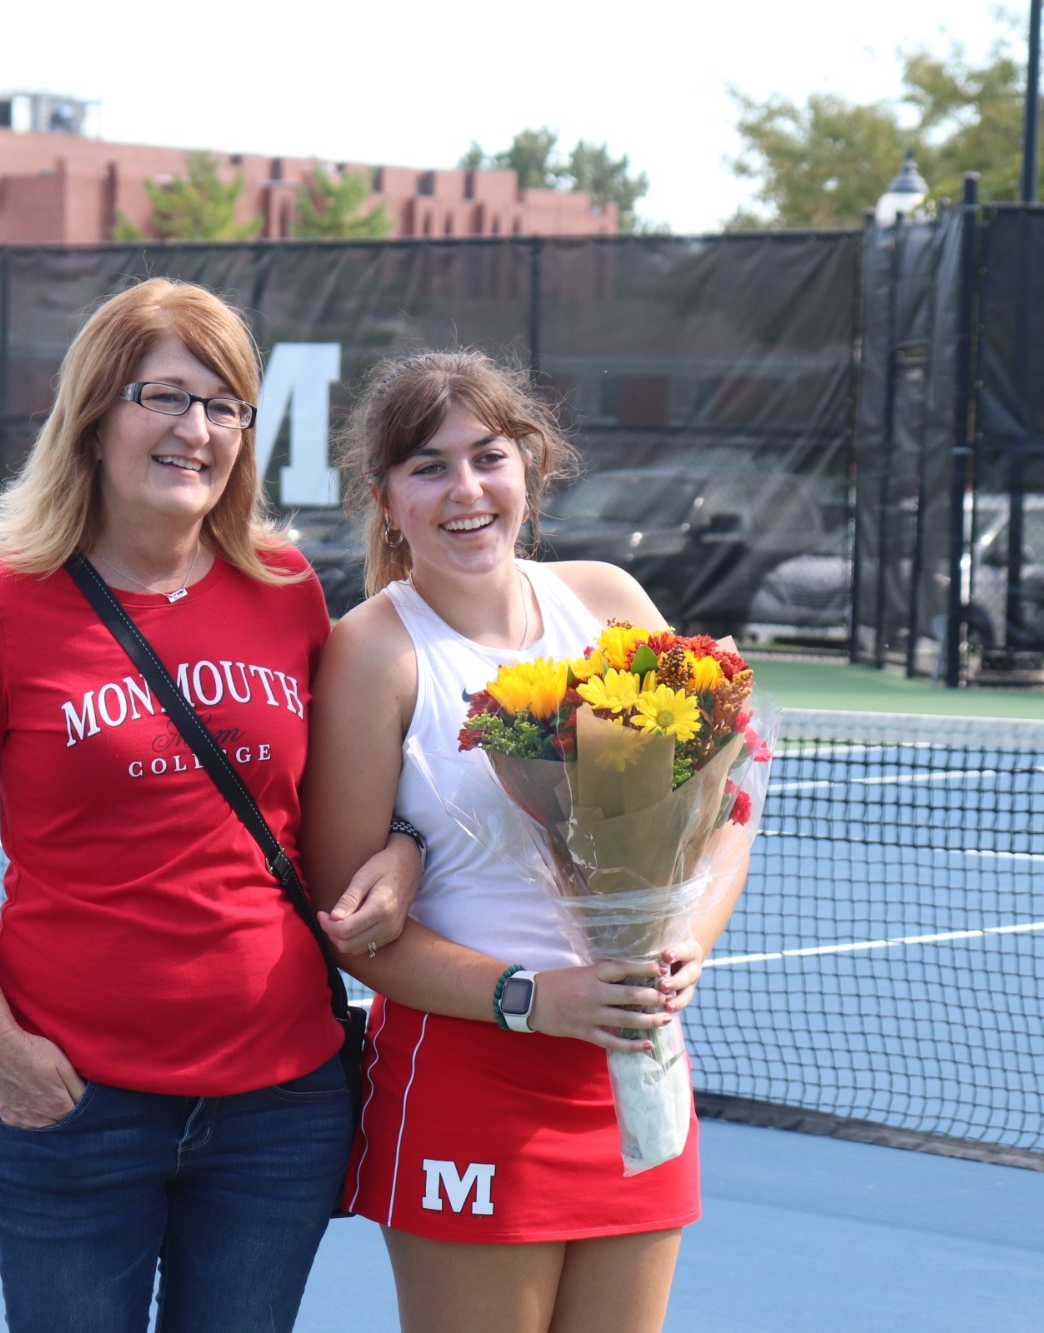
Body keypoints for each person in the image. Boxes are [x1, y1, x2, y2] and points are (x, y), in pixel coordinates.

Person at [0, 278, 423, 1333]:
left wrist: (399, 852)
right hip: (76, 1105)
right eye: (164, 396)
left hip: (280, 1108)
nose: (196, 429)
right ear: (94, 417)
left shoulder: (286, 590)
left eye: (224, 405)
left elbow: (358, 804)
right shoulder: (1, 607)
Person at [301, 351, 753, 1333]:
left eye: (486, 456)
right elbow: (348, 925)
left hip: (634, 1070)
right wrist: (532, 997)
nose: (464, 489)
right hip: (470, 1083)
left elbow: (726, 811)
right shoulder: (373, 651)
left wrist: (686, 940)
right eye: (427, 467)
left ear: (530, 466)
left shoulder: (606, 600)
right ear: (384, 499)